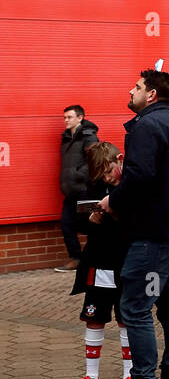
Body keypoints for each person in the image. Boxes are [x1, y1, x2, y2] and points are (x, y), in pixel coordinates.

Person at [94, 68, 169, 379]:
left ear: (151, 95)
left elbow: (140, 177)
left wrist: (112, 201)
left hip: (153, 236)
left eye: (137, 86)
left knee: (135, 308)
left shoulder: (145, 127)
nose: (131, 89)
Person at [65, 142, 132, 379]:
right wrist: (90, 220)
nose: (106, 177)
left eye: (109, 171)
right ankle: (91, 378)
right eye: (101, 174)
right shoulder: (91, 188)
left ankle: (130, 375)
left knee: (127, 318)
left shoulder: (132, 186)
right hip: (98, 263)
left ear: (120, 160)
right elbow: (77, 222)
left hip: (127, 263)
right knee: (94, 318)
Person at [56, 105, 99, 270]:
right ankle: (76, 258)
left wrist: (77, 175)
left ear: (80, 118)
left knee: (89, 225)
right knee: (67, 224)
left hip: (85, 190)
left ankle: (93, 258)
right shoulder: (66, 137)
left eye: (69, 117)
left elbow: (94, 160)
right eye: (65, 117)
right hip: (71, 191)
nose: (66, 120)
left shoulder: (89, 136)